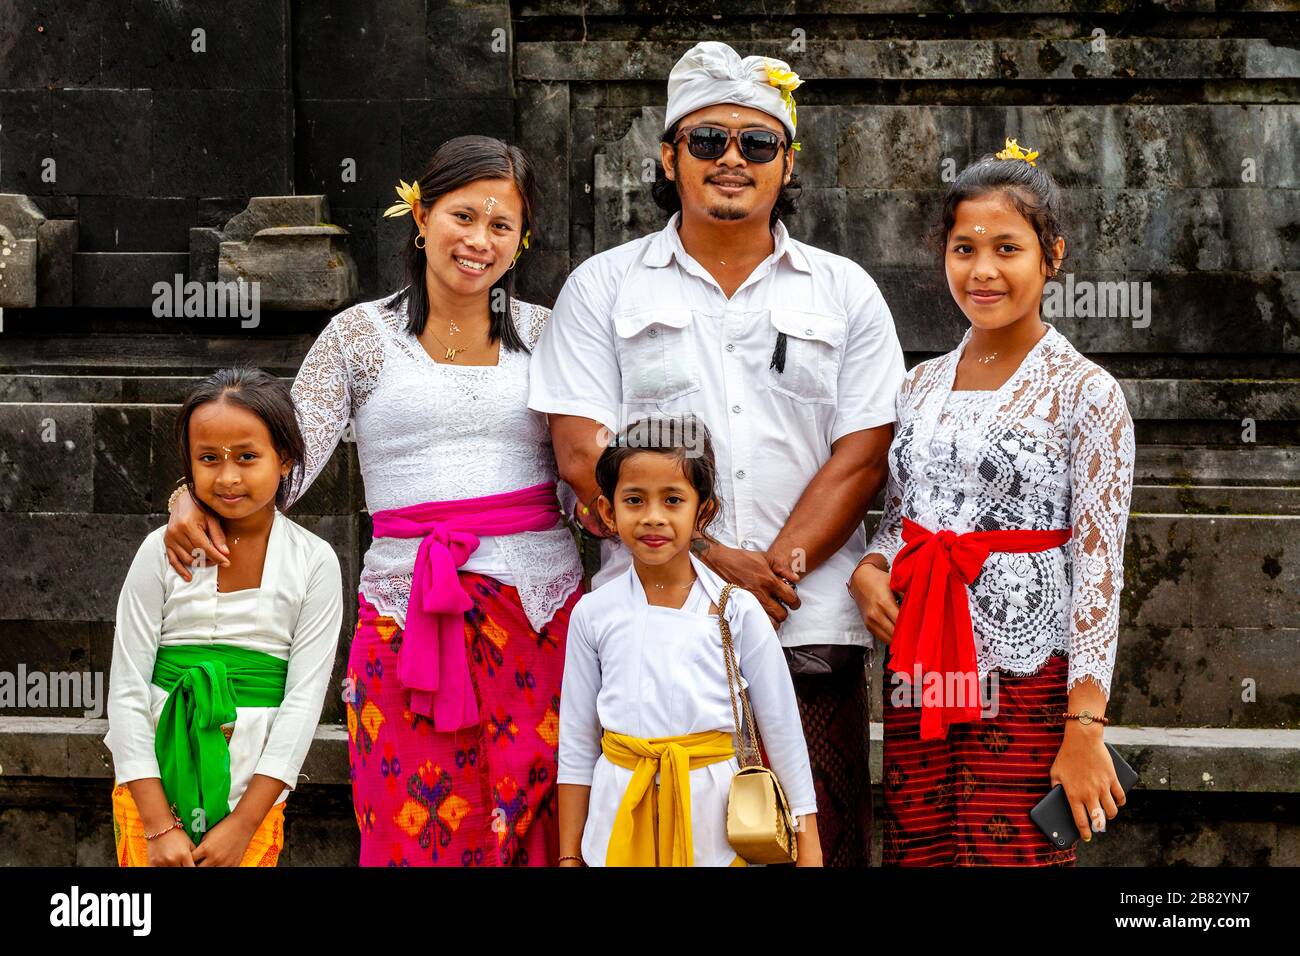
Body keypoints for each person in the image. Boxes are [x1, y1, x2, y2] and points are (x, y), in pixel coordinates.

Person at [529, 40, 904, 867]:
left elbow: (862, 454)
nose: (732, 160)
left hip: (807, 623)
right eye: (707, 141)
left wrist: (773, 572)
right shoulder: (604, 287)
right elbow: (582, 451)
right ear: (669, 155)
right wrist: (711, 560)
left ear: (786, 162)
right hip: (651, 625)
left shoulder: (844, 292)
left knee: (814, 841)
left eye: (756, 143)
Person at [163, 136, 584, 867]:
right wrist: (189, 497)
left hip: (541, 622)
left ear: (521, 240)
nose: (478, 241)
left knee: (532, 825)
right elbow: (279, 472)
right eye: (462, 216)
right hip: (405, 620)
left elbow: (588, 484)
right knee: (407, 824)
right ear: (420, 217)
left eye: (501, 225)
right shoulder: (357, 338)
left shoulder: (553, 336)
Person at [849, 140, 1136, 866]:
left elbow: (1099, 572)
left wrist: (1085, 726)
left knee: (1013, 855)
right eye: (963, 247)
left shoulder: (1086, 393)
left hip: (1029, 675)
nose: (982, 270)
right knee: (920, 847)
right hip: (921, 660)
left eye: (1006, 248)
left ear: (1052, 256)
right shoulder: (920, 385)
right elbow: (900, 516)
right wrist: (871, 566)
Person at [106, 367, 343, 866]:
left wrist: (244, 824)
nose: (228, 476)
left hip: (251, 796)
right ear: (189, 467)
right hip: (152, 786)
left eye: (247, 457)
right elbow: (127, 690)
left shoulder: (313, 561)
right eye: (208, 459)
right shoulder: (160, 552)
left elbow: (302, 705)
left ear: (285, 459)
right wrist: (159, 826)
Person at [557, 416, 820, 866]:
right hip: (618, 820)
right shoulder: (593, 614)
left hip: (714, 826)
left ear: (704, 512)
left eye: (673, 499)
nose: (653, 517)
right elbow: (578, 743)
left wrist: (808, 846)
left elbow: (782, 730)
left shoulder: (736, 611)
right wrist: (568, 856)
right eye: (634, 500)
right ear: (607, 511)